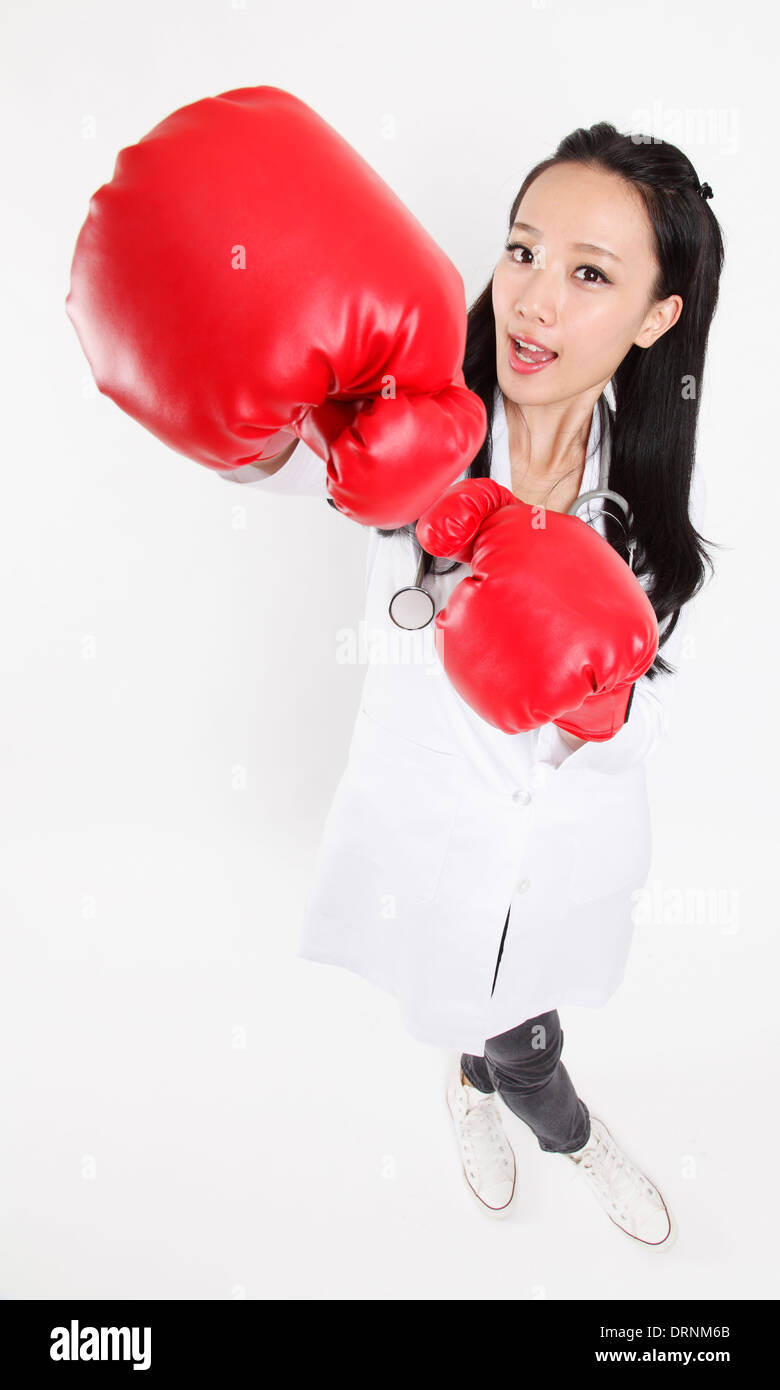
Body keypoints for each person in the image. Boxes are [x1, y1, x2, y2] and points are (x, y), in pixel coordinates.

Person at [221, 123, 724, 1248]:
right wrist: (227, 370)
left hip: (566, 854)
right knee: (520, 1045)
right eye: (523, 250)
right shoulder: (417, 427)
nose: (535, 300)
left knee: (512, 998)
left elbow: (625, 725)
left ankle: (477, 1077)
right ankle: (567, 1131)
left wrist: (597, 700)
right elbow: (272, 454)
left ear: (658, 318)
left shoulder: (644, 507)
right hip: (431, 836)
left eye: (590, 274)